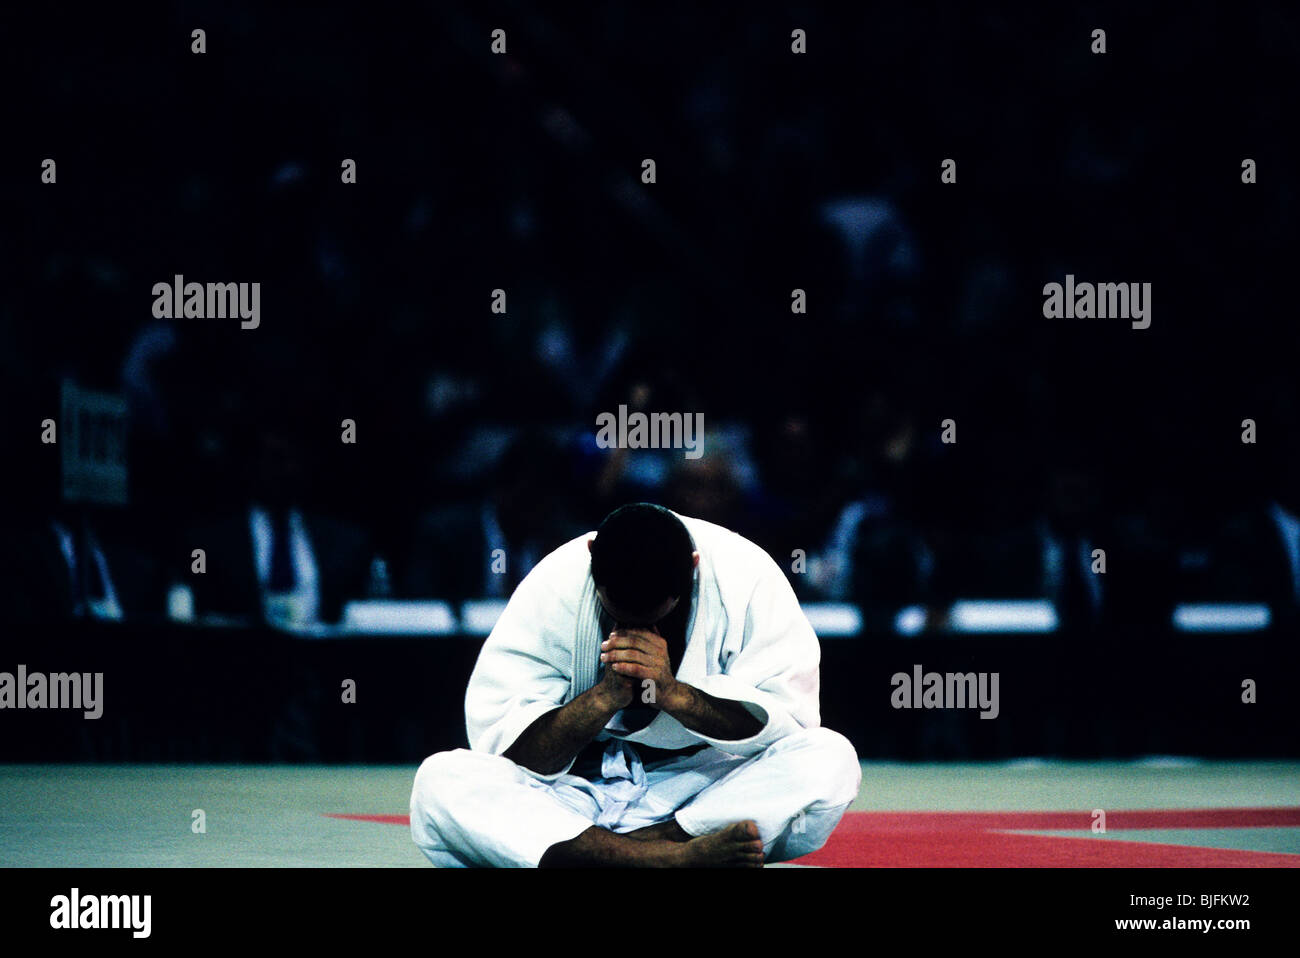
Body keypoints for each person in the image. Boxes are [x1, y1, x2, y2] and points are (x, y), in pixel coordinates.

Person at [409, 503, 860, 867]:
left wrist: (672, 692)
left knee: (829, 759)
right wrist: (603, 699)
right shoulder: (555, 583)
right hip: (575, 797)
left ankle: (636, 851)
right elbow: (511, 751)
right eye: (619, 613)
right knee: (441, 781)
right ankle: (661, 861)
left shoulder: (747, 577)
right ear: (592, 563)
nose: (637, 630)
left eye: (656, 615)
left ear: (693, 568)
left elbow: (787, 724)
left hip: (699, 793)